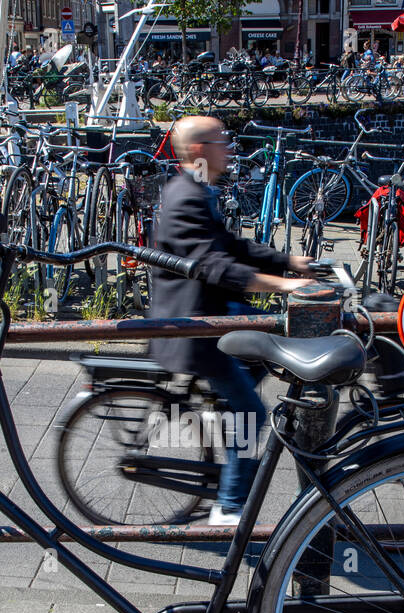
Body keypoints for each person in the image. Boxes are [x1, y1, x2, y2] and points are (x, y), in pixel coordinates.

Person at [147, 115, 316, 525]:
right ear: (200, 150)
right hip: (198, 328)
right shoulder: (187, 196)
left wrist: (287, 261)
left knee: (269, 349)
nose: (230, 147)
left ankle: (220, 409)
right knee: (252, 413)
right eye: (223, 140)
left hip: (216, 312)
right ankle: (229, 506)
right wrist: (282, 285)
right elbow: (214, 266)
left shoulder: (197, 188)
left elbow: (229, 245)